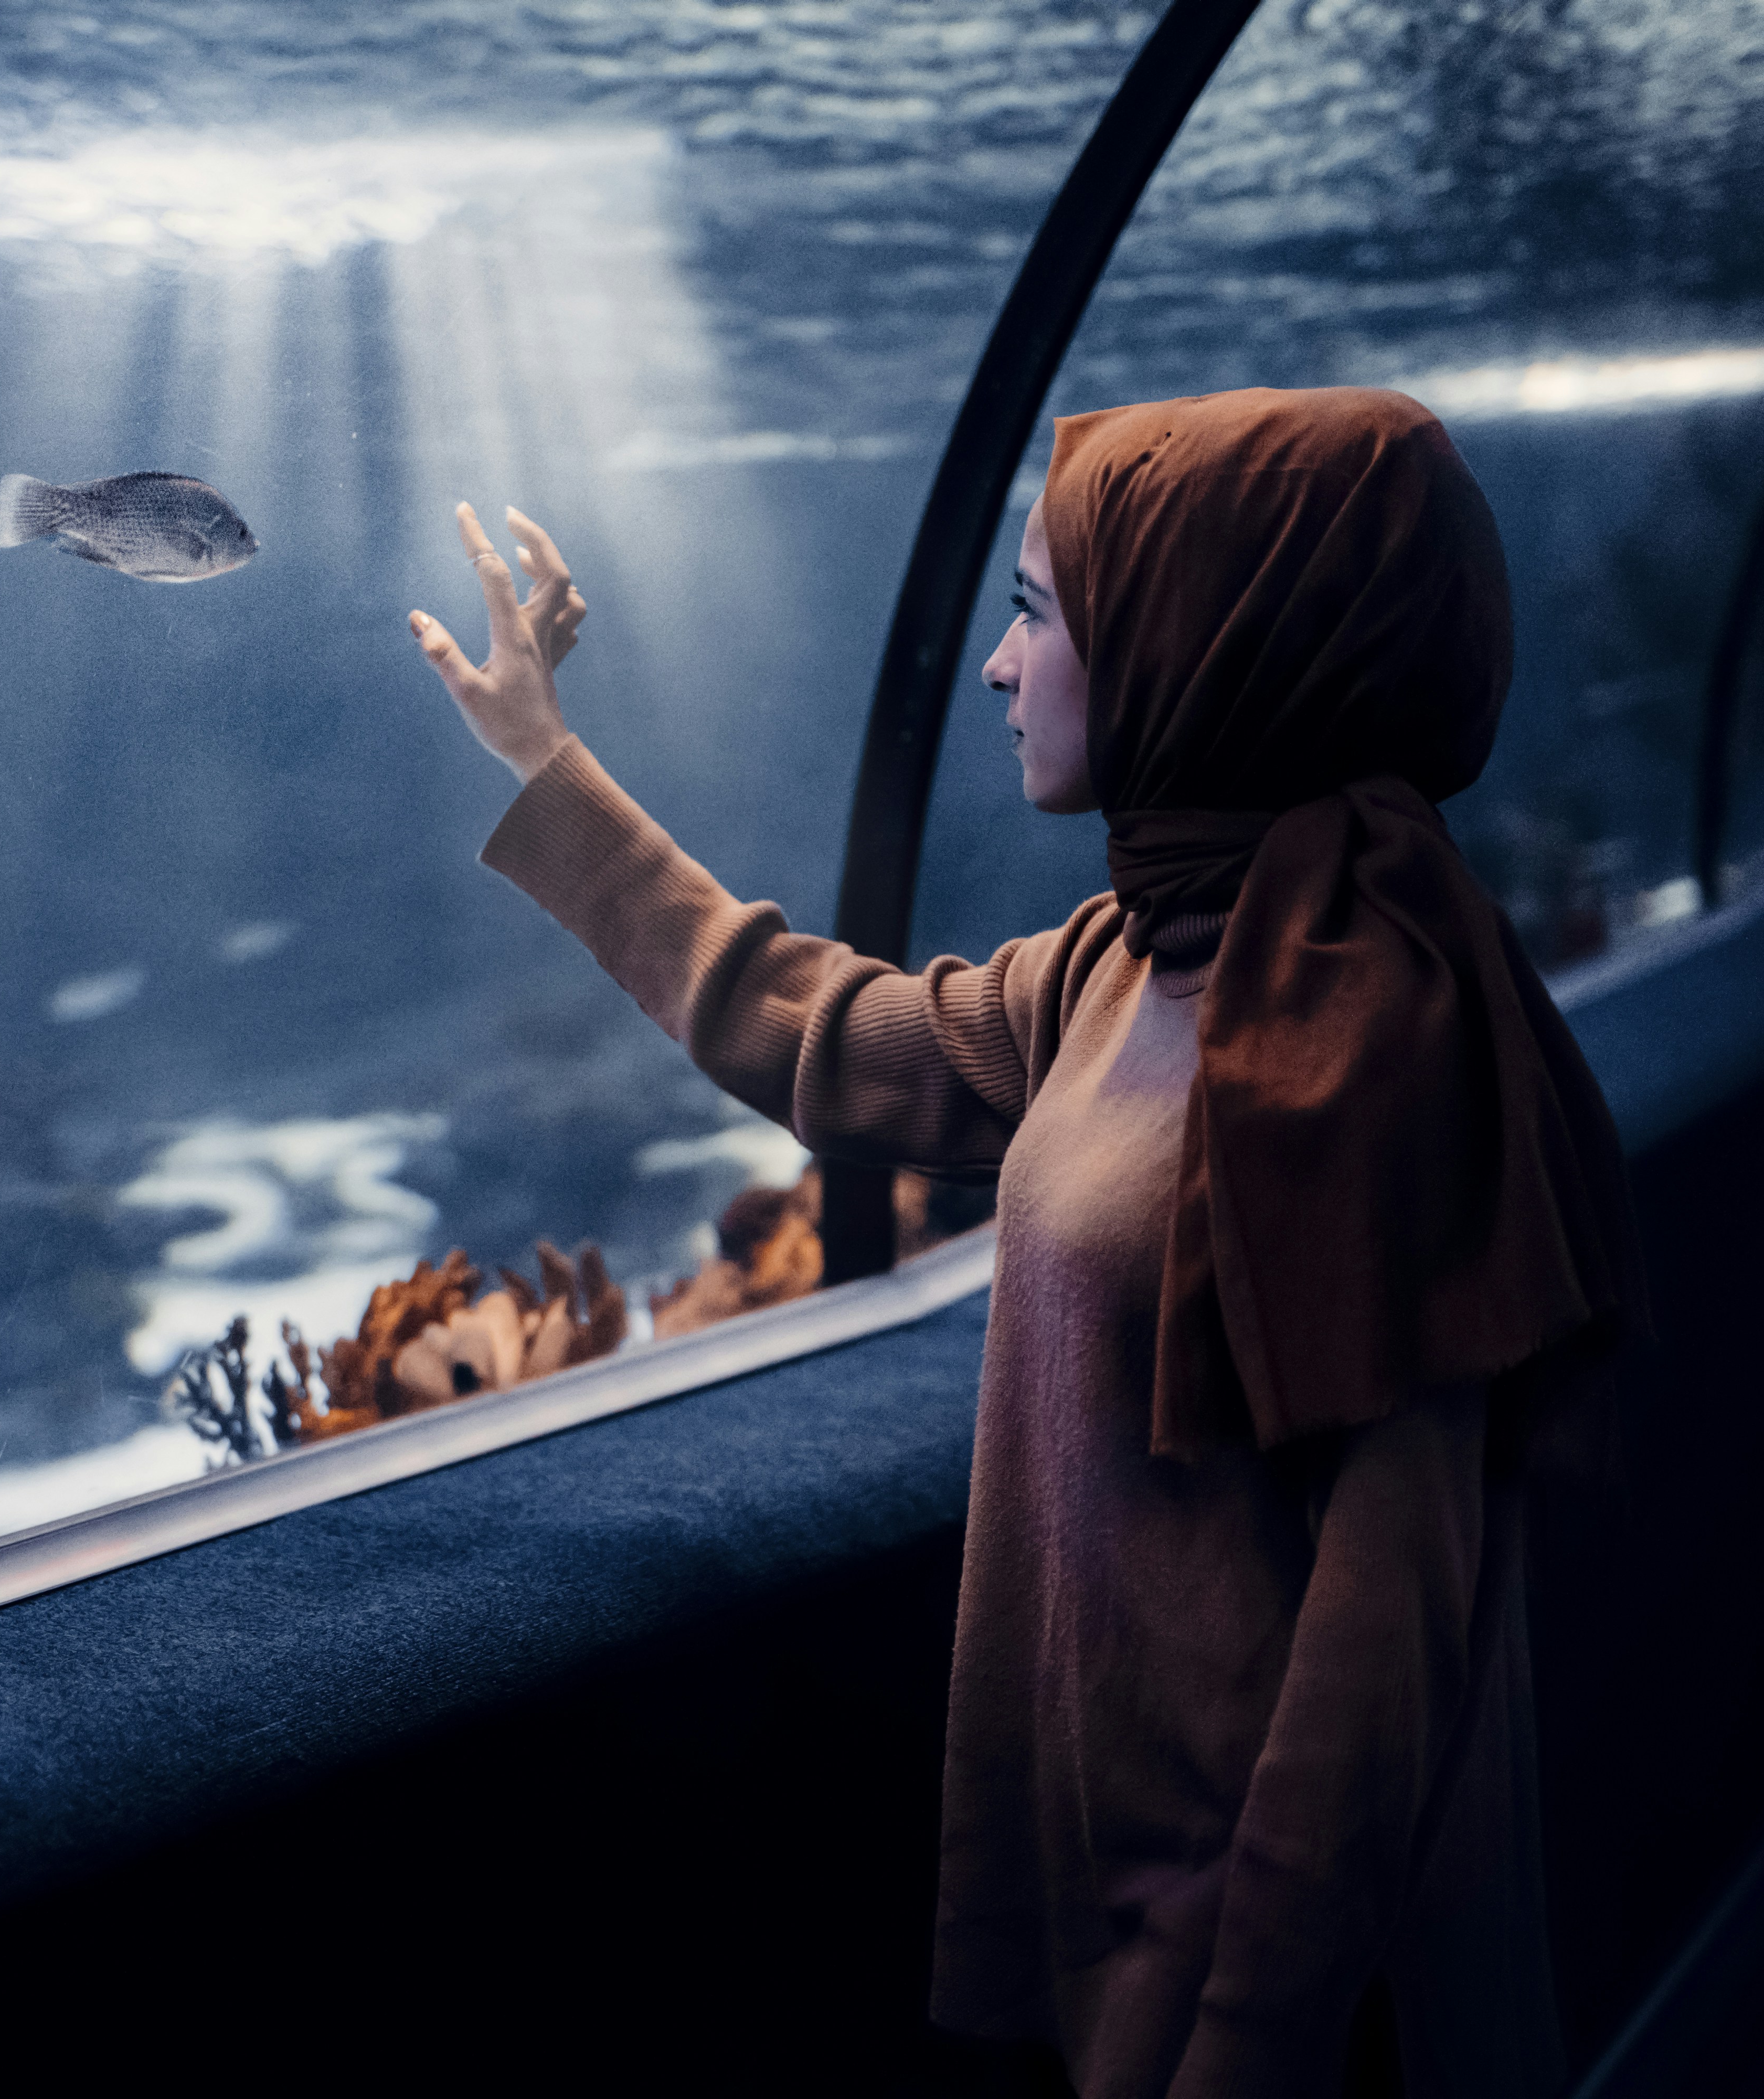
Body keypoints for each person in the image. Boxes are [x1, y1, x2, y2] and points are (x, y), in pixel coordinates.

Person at [408, 387, 1643, 2099]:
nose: (999, 668)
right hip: (1130, 1913)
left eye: (1042, 613)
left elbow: (1383, 1666)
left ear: (1203, 644)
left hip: (1290, 1996)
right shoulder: (1130, 958)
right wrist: (551, 768)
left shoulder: (1377, 1051)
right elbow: (830, 1035)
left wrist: (1248, 2043)